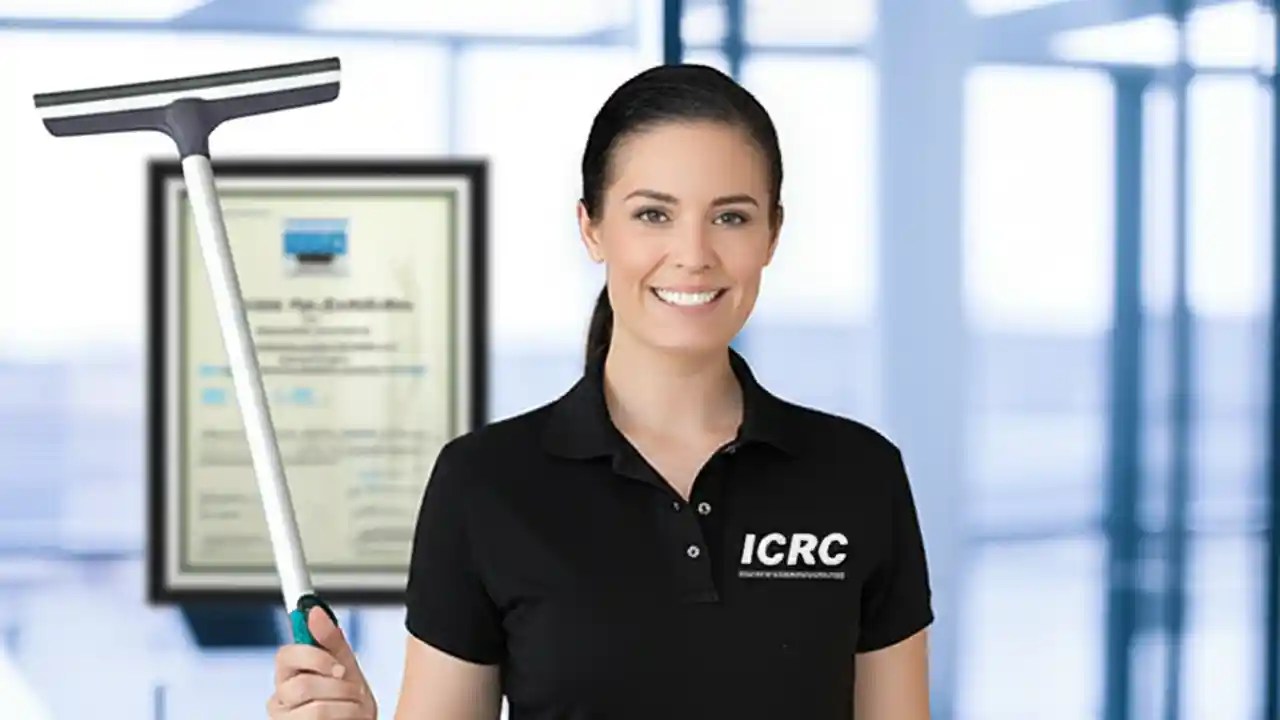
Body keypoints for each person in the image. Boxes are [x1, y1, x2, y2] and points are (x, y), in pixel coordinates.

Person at [269, 62, 933, 720]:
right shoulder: (486, 484)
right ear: (591, 228)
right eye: (653, 214)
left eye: (730, 217)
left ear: (772, 234)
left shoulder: (859, 475)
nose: (694, 253)